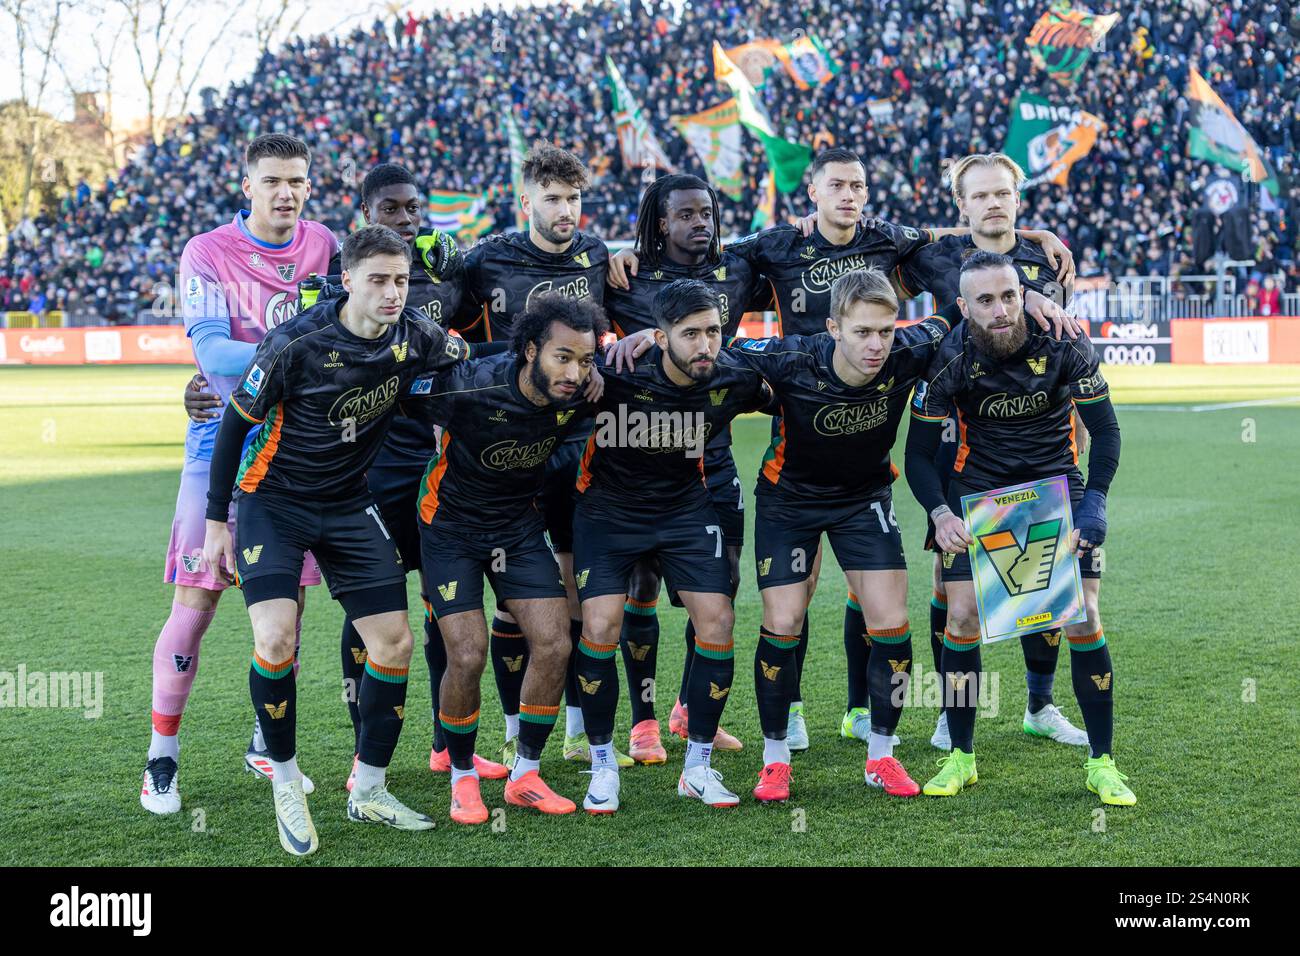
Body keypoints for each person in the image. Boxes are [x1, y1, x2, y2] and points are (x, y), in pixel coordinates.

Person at [201, 224, 484, 855]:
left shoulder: (416, 334)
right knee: (276, 635)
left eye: (402, 281)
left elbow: (466, 362)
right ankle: (282, 779)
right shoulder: (294, 343)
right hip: (273, 502)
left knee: (395, 641)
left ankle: (369, 789)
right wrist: (216, 521)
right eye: (378, 280)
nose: (391, 293)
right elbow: (231, 427)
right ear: (348, 279)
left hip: (350, 504)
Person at [141, 133, 337, 815]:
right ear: (246, 185)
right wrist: (302, 347)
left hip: (298, 452)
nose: (288, 193)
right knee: (196, 606)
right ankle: (161, 757)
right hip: (215, 451)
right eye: (275, 180)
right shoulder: (207, 252)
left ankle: (266, 739)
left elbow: (355, 329)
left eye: (300, 181)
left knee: (290, 609)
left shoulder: (325, 246)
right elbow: (215, 354)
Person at [905, 250, 1135, 807]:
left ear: (1023, 294)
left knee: (1083, 614)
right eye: (985, 300)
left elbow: (1105, 432)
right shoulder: (948, 355)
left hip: (1058, 487)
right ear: (964, 306)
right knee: (960, 616)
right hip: (978, 493)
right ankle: (961, 756)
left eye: (1009, 295)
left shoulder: (1063, 341)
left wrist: (1096, 501)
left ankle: (1101, 763)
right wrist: (940, 514)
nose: (1001, 309)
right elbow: (915, 454)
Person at [895, 152, 1091, 752]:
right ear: (962, 205)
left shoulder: (1048, 258)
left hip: (1037, 436)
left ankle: (1040, 704)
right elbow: (871, 254)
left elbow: (1063, 346)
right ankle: (947, 710)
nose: (993, 204)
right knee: (949, 581)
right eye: (979, 196)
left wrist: (1076, 436)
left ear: (1016, 196)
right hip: (959, 434)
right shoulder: (932, 256)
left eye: (1002, 194)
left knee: (1043, 578)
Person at [453, 142, 624, 768]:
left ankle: (575, 729)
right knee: (510, 599)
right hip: (507, 445)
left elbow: (616, 331)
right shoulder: (487, 259)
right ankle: (508, 723)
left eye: (573, 198)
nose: (565, 209)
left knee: (575, 589)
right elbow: (449, 321)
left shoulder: (600, 256)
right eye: (552, 198)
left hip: (577, 445)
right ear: (526, 202)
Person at [573, 280, 773, 812]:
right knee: (599, 626)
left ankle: (698, 767)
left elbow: (793, 376)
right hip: (607, 511)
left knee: (718, 620)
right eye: (690, 334)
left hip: (685, 508)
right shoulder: (614, 372)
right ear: (660, 337)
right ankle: (602, 764)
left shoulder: (733, 376)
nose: (705, 344)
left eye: (712, 331)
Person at [414, 292, 606, 823]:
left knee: (553, 642)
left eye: (585, 360)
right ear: (528, 351)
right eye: (562, 357)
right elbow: (394, 393)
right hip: (449, 526)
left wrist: (610, 362)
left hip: (518, 526)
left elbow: (636, 362)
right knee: (468, 653)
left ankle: (525, 774)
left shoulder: (583, 391)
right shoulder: (470, 385)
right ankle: (461, 777)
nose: (573, 371)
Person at [601, 173, 770, 762]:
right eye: (685, 215)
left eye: (707, 212)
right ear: (659, 222)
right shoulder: (624, 276)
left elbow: (815, 247)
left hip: (714, 456)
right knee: (642, 588)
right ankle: (643, 720)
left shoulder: (742, 266)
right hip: (642, 456)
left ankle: (688, 710)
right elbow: (585, 329)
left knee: (720, 588)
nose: (700, 223)